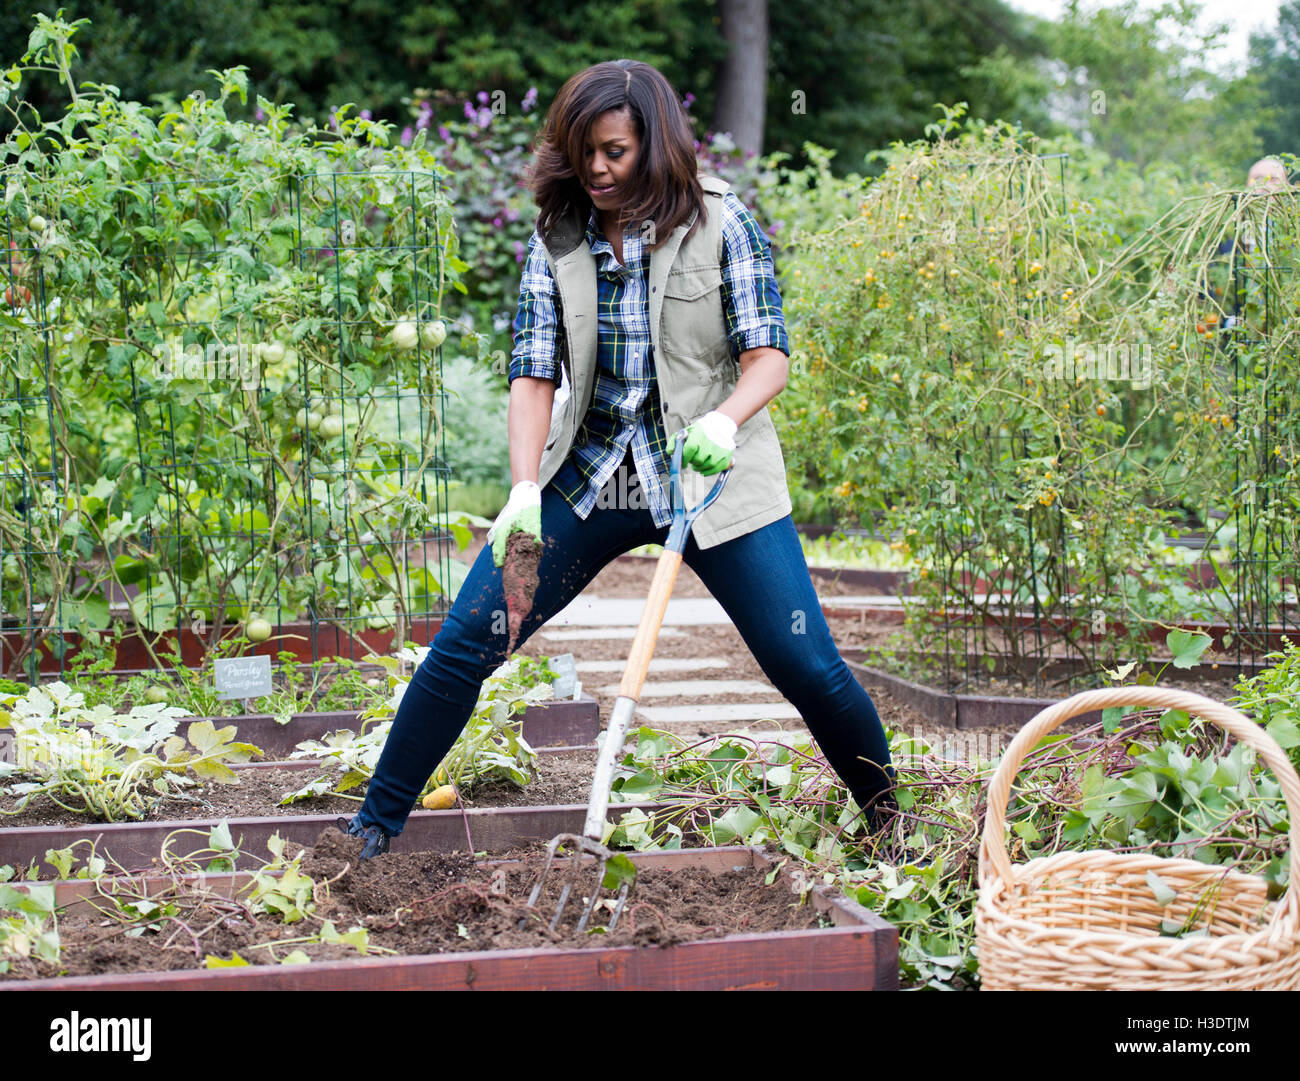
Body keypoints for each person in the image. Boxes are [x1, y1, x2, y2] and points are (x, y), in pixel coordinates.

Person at [340, 59, 896, 858]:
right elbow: (534, 374)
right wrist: (525, 487)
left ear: (655, 145)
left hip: (711, 477)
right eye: (584, 151)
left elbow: (768, 356)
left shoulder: (721, 224)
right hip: (594, 476)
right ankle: (372, 827)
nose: (596, 168)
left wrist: (728, 420)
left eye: (614, 151)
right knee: (467, 636)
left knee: (804, 661)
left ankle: (890, 822)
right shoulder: (556, 240)